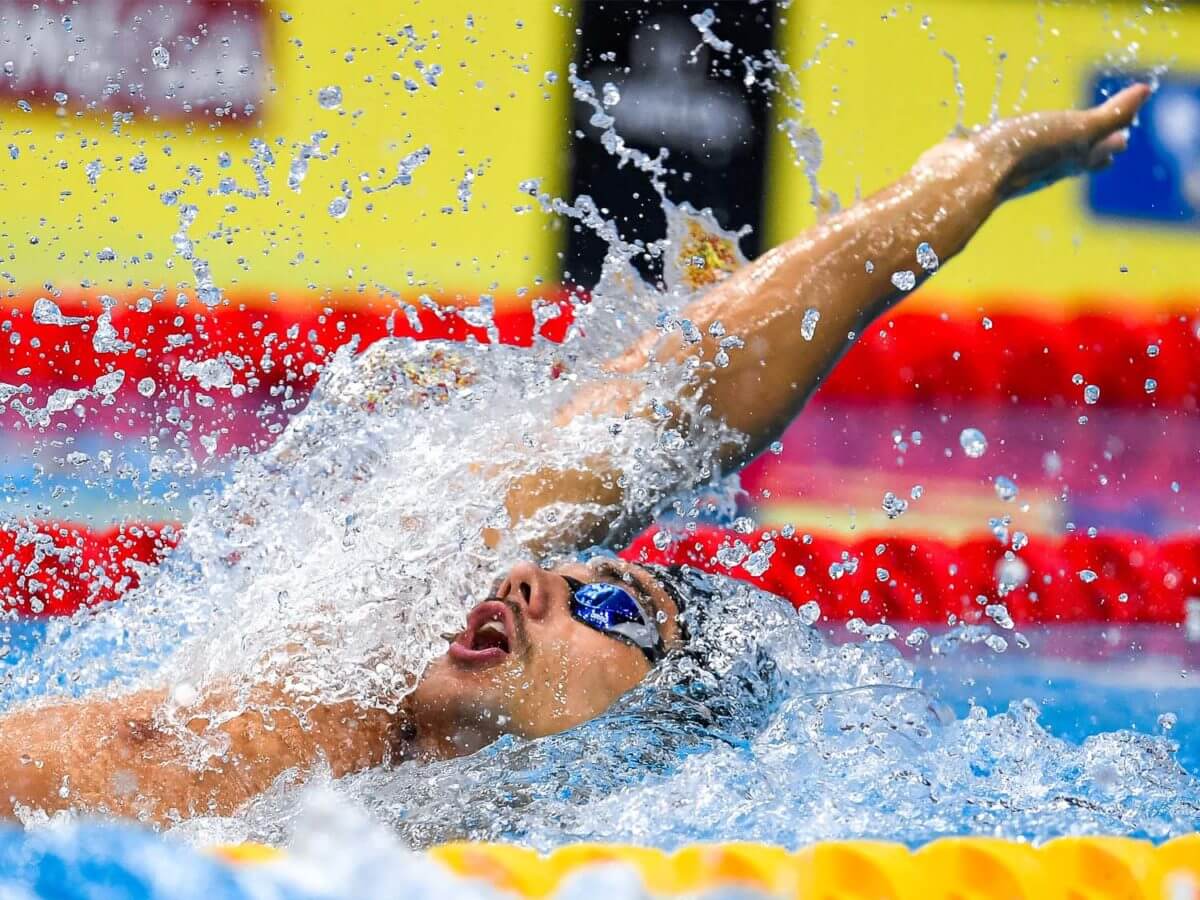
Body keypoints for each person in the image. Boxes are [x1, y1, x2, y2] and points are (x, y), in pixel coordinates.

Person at [0, 84, 1150, 825]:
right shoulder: (361, 636)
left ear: (654, 731)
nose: (531, 579)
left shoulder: (536, 846)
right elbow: (683, 397)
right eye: (573, 572)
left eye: (612, 610)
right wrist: (967, 175)